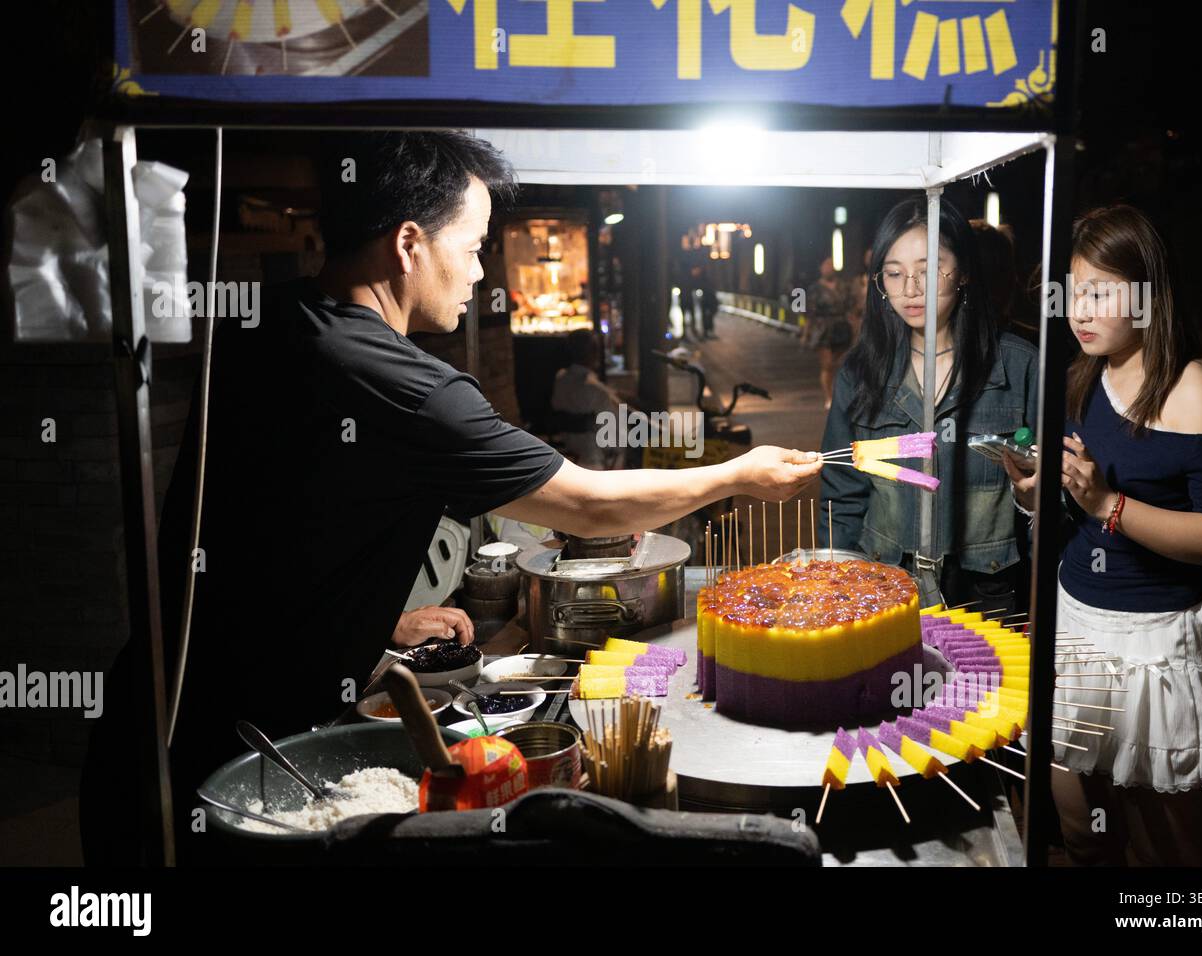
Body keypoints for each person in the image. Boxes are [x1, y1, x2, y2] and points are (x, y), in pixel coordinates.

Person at [81, 130, 822, 864]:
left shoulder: (268, 324)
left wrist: (375, 618)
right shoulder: (408, 389)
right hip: (239, 773)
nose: (479, 272)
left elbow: (268, 525)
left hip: (142, 728)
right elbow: (591, 505)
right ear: (409, 244)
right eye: (471, 246)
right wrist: (737, 475)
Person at [1004, 204, 1202, 866]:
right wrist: (1034, 495)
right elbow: (1073, 509)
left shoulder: (1196, 387)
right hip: (1076, 630)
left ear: (1148, 293)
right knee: (1082, 833)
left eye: (1100, 292)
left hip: (1160, 647)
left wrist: (1107, 503)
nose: (1079, 311)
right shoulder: (1083, 376)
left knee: (1170, 858)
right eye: (1073, 292)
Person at [820, 196, 1038, 614]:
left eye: (929, 269)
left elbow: (1053, 507)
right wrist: (838, 591)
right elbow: (842, 498)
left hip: (990, 598)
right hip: (881, 594)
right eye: (895, 273)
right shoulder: (860, 372)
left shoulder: (1020, 365)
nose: (911, 289)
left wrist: (1033, 497)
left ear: (964, 271)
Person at [550, 328, 623, 469]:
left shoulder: (560, 379)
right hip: (593, 453)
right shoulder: (594, 390)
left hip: (569, 442)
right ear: (592, 353)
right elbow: (614, 437)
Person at [808, 257, 853, 409]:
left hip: (842, 326)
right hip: (824, 329)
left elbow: (851, 306)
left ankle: (838, 393)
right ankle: (829, 396)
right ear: (821, 268)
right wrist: (807, 331)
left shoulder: (843, 286)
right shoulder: (815, 289)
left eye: (831, 265)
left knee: (840, 363)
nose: (829, 268)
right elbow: (809, 312)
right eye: (826, 265)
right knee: (827, 365)